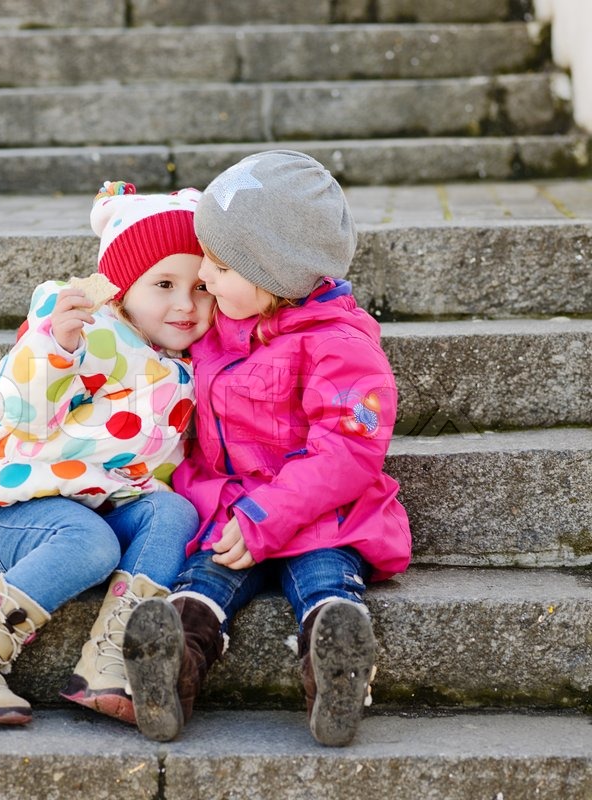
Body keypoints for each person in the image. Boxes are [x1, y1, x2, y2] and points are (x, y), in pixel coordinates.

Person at [121, 150, 412, 746]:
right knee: (203, 578)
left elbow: (349, 453)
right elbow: (129, 332)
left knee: (325, 575)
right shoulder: (220, 324)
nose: (202, 276)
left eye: (221, 266)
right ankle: (171, 667)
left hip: (320, 512)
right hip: (232, 509)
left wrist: (267, 517)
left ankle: (335, 663)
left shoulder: (340, 345)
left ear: (274, 278)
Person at [0, 181, 214, 725]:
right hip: (23, 506)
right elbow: (21, 411)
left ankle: (114, 662)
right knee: (90, 542)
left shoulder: (195, 359)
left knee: (175, 511)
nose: (184, 304)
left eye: (201, 288)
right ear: (121, 289)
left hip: (112, 502)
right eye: (164, 283)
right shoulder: (92, 334)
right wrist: (54, 349)